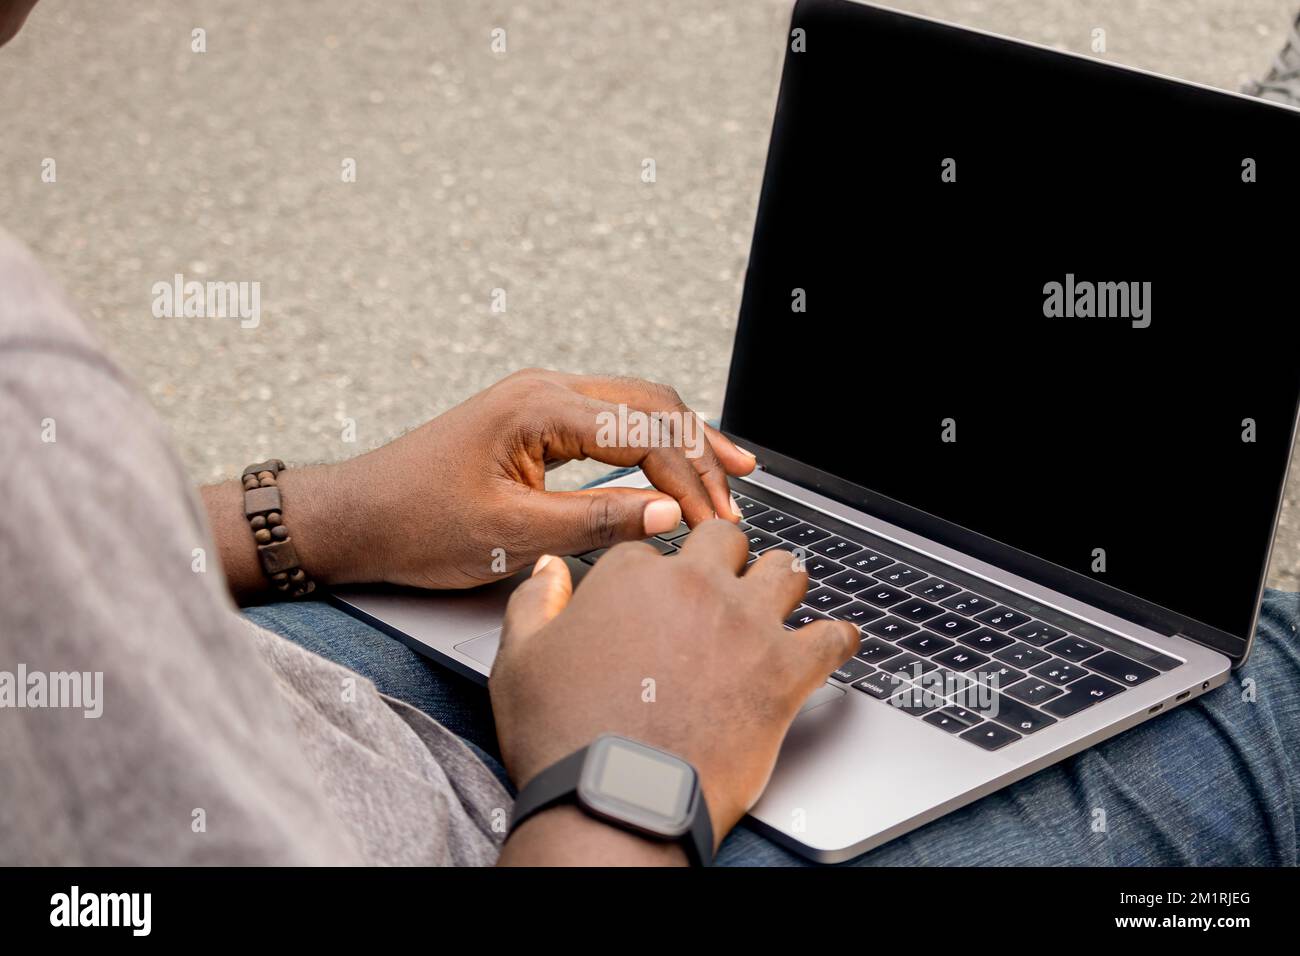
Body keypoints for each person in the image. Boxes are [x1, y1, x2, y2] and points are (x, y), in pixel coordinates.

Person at [2, 1, 1297, 867]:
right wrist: (626, 778)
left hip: (302, 722)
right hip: (564, 831)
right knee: (1274, 684)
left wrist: (312, 518)